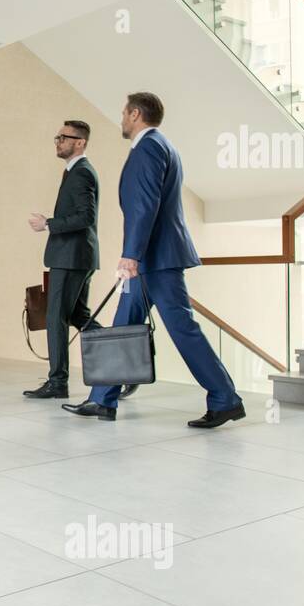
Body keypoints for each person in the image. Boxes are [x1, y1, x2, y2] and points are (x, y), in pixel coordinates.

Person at [62, 92, 245, 427]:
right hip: (150, 260)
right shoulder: (160, 145)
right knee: (123, 326)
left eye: (123, 113)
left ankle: (225, 398)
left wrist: (131, 254)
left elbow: (144, 206)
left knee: (182, 329)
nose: (121, 119)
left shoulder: (149, 147)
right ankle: (103, 399)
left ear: (135, 114)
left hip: (156, 260)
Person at [23, 120, 99, 400]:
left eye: (64, 137)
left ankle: (58, 383)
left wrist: (48, 223)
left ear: (80, 142)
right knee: (79, 316)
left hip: (71, 257)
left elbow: (86, 217)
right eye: (57, 137)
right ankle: (122, 365)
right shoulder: (75, 172)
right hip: (78, 255)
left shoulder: (81, 173)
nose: (58, 141)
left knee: (56, 316)